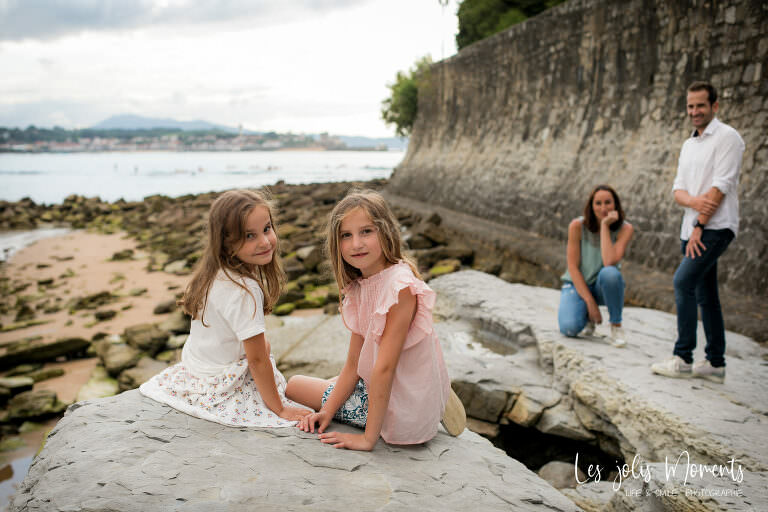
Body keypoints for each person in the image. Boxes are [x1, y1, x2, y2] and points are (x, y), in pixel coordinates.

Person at [285, 189, 466, 451]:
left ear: (386, 232)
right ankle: (430, 384)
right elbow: (353, 363)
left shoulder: (399, 287)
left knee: (295, 386)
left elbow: (383, 370)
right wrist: (327, 412)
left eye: (366, 231)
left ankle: (427, 395)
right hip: (389, 383)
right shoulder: (362, 285)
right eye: (346, 235)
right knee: (338, 380)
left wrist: (368, 439)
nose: (356, 243)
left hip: (401, 408)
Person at [140, 190, 310, 426]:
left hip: (196, 369)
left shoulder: (212, 273)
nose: (264, 241)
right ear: (226, 242)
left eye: (267, 229)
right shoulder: (244, 290)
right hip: (221, 382)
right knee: (269, 358)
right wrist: (279, 408)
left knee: (265, 346)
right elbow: (258, 360)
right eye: (249, 236)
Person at [651, 82, 744, 384]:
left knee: (682, 282)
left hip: (713, 227)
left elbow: (721, 186)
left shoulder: (729, 138)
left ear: (715, 106)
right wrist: (693, 202)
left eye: (700, 105)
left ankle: (683, 358)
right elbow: (678, 190)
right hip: (690, 227)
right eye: (690, 106)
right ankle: (715, 363)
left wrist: (699, 225)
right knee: (707, 295)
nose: (694, 112)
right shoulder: (689, 144)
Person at [558, 185, 634, 347]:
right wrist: (590, 303)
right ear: (591, 206)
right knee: (569, 328)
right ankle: (586, 316)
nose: (603, 208)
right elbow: (572, 266)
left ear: (616, 205)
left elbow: (609, 261)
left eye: (608, 203)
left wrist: (605, 226)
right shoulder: (577, 226)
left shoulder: (625, 228)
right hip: (578, 285)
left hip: (603, 285)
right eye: (598, 203)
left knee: (611, 273)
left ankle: (616, 327)